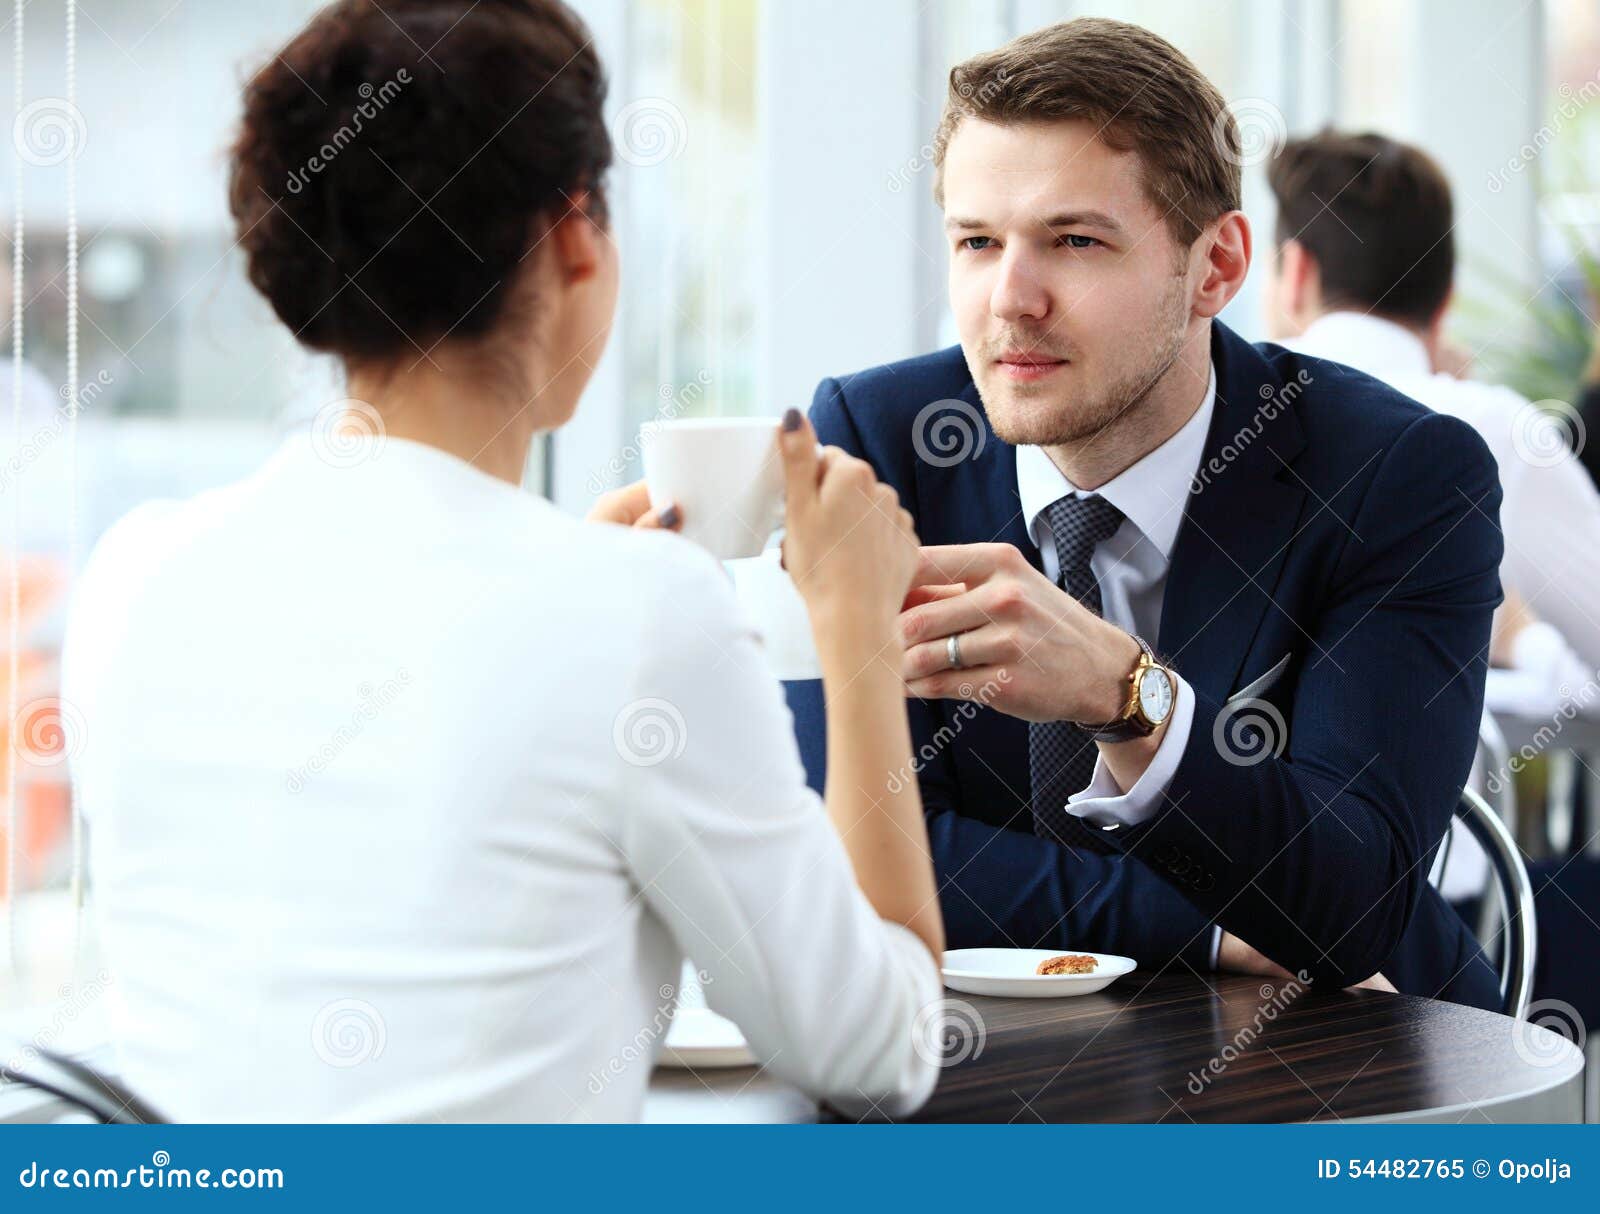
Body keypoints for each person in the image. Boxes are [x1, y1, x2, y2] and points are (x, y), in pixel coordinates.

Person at [62, 0, 944, 1123]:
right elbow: (882, 1051)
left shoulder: (137, 572)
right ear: (574, 230)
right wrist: (857, 638)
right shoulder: (635, 617)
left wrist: (577, 613)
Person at [787, 17, 1502, 1008]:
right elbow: (848, 842)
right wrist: (1203, 925)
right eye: (976, 241)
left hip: (1344, 1066)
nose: (1010, 299)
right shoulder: (879, 439)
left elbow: (1349, 903)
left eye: (1073, 240)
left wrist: (1126, 697)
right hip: (976, 1072)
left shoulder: (1393, 474)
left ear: (1215, 267)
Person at [1264, 130, 1600, 686]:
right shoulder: (1498, 430)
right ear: (1445, 300)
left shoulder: (1224, 409)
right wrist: (1522, 643)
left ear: (1295, 274)